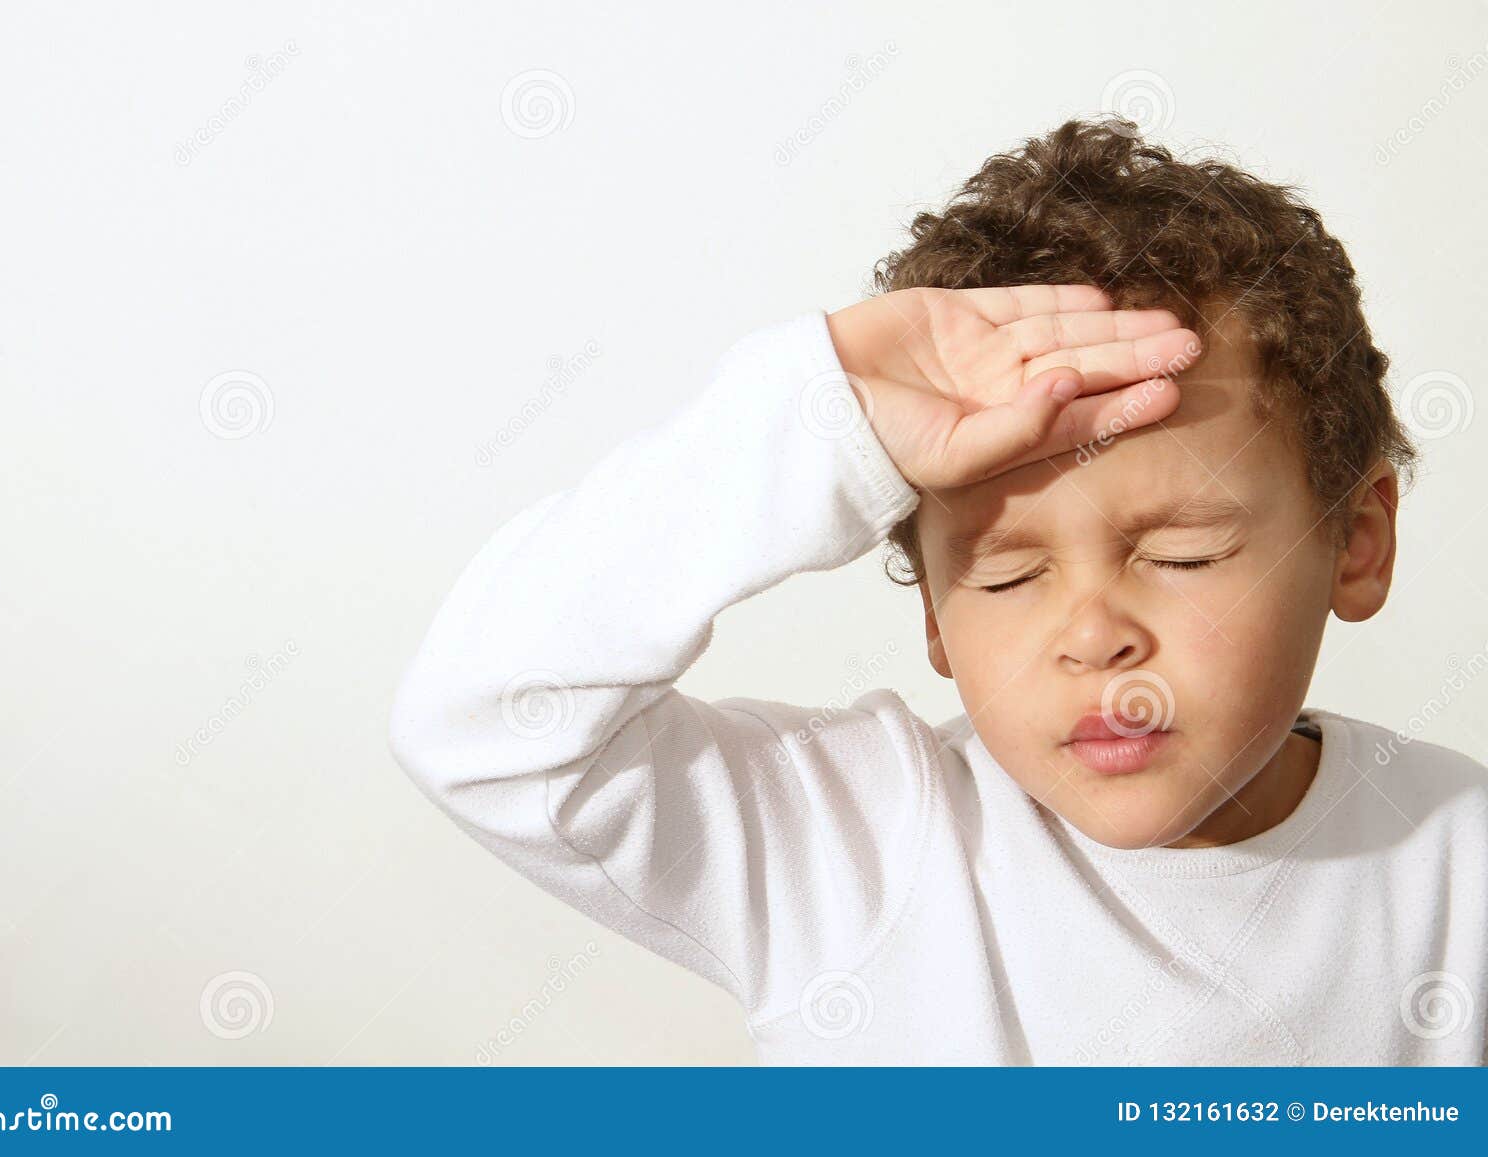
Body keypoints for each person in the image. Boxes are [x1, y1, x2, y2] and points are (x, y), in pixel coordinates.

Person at [389, 118, 1488, 1064]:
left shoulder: (1457, 863)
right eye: (1005, 572)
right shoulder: (848, 841)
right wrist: (819, 412)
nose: (1092, 634)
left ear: (1355, 541)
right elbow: (485, 720)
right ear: (931, 615)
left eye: (1181, 555)